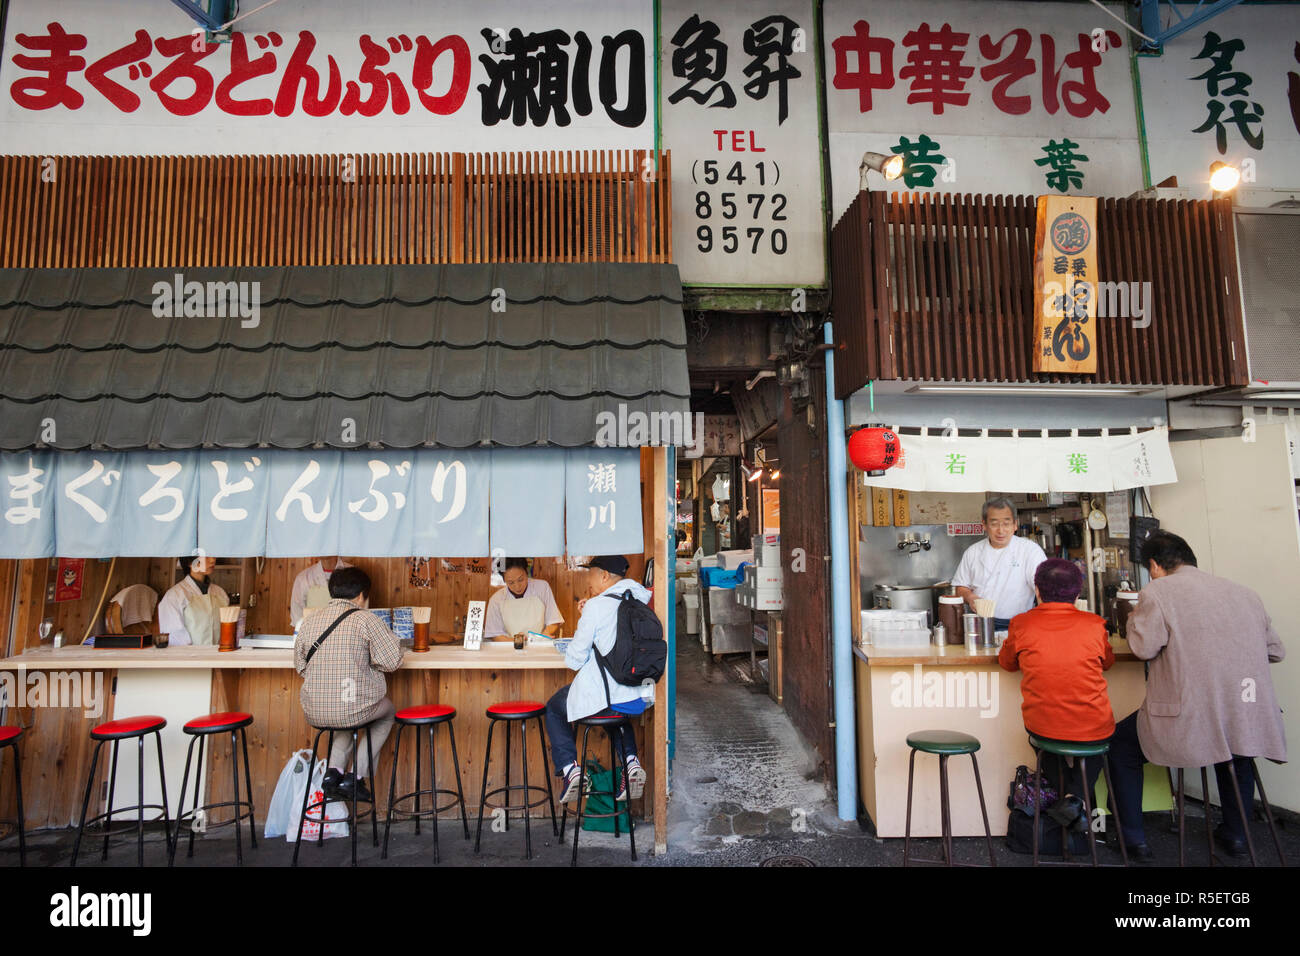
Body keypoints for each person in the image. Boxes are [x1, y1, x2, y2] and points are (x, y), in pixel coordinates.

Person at [1108, 531, 1287, 862]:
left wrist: (1133, 617)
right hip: (1246, 711)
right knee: (1236, 746)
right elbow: (1275, 651)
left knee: (1120, 745)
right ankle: (1237, 835)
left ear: (1154, 566)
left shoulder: (1157, 592)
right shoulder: (1245, 594)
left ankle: (1132, 839)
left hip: (1189, 716)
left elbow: (1143, 648)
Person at [999, 559, 1115, 819]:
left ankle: (1070, 800)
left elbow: (1007, 664)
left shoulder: (1022, 623)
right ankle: (1076, 799)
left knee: (1047, 745)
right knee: (1099, 743)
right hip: (1095, 726)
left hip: (1043, 726)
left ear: (1037, 591)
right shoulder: (1095, 624)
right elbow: (1108, 662)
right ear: (1077, 593)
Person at [545, 555, 651, 804]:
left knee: (555, 707)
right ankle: (630, 761)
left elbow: (574, 660)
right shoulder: (641, 598)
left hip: (607, 692)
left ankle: (571, 770)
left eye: (590, 574)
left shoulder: (596, 606)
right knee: (615, 712)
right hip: (638, 692)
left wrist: (586, 619)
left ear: (604, 576)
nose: (588, 580)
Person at [294, 567, 402, 802]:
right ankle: (355, 777)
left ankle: (333, 774)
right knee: (385, 712)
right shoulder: (366, 620)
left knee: (345, 716)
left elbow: (301, 667)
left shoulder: (309, 622)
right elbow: (392, 662)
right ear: (362, 595)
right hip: (352, 707)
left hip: (314, 710)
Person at [951, 497, 1047, 630]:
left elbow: (1042, 588)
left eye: (1006, 524)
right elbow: (960, 586)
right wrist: (970, 596)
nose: (1001, 530)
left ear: (1015, 524)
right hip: (982, 624)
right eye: (994, 524)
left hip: (1021, 624)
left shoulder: (1030, 551)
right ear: (984, 524)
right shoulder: (973, 552)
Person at [483, 558, 563, 641]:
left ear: (527, 573)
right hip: (509, 648)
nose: (517, 586)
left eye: (520, 580)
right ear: (504, 580)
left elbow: (553, 620)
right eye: (511, 582)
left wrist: (542, 638)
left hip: (539, 646)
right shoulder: (496, 600)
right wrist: (517, 641)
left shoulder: (542, 587)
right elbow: (495, 634)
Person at [158, 555, 230, 646]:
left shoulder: (220, 593)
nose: (212, 560)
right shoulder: (174, 596)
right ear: (190, 562)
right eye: (206, 556)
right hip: (187, 657)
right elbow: (176, 637)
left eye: (213, 555)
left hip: (218, 657)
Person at [289, 556, 354, 630]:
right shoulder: (303, 578)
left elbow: (360, 609)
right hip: (312, 635)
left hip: (346, 634)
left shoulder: (354, 574)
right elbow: (297, 617)